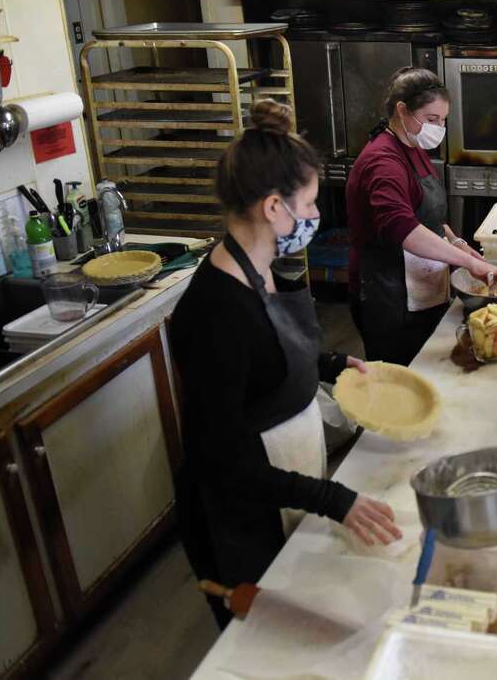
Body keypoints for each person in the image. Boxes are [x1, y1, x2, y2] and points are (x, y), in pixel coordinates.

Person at [172, 100, 402, 627]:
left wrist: (330, 363)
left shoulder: (258, 267)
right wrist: (331, 498)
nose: (316, 216)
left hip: (287, 478)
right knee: (269, 641)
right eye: (311, 203)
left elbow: (267, 353)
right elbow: (221, 462)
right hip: (244, 518)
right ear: (274, 208)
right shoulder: (214, 310)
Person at [347, 67, 497, 366]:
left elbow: (426, 214)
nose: (438, 128)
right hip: (389, 295)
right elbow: (404, 228)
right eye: (432, 119)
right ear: (402, 110)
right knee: (401, 381)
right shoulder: (383, 163)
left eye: (443, 120)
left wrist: (457, 243)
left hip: (419, 286)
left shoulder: (412, 145)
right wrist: (469, 263)